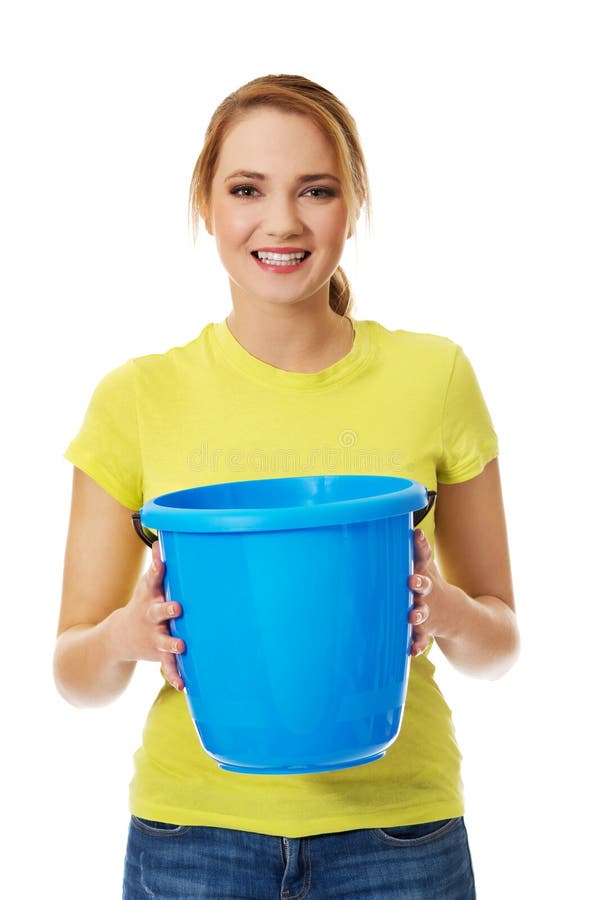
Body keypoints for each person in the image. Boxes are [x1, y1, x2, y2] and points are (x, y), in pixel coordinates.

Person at [55, 74, 519, 899]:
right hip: (193, 838)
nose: (281, 222)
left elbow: (498, 645)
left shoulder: (435, 377)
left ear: (352, 205)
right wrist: (128, 634)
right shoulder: (136, 399)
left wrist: (441, 610)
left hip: (399, 833)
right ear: (206, 204)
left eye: (315, 190)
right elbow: (74, 673)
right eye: (247, 189)